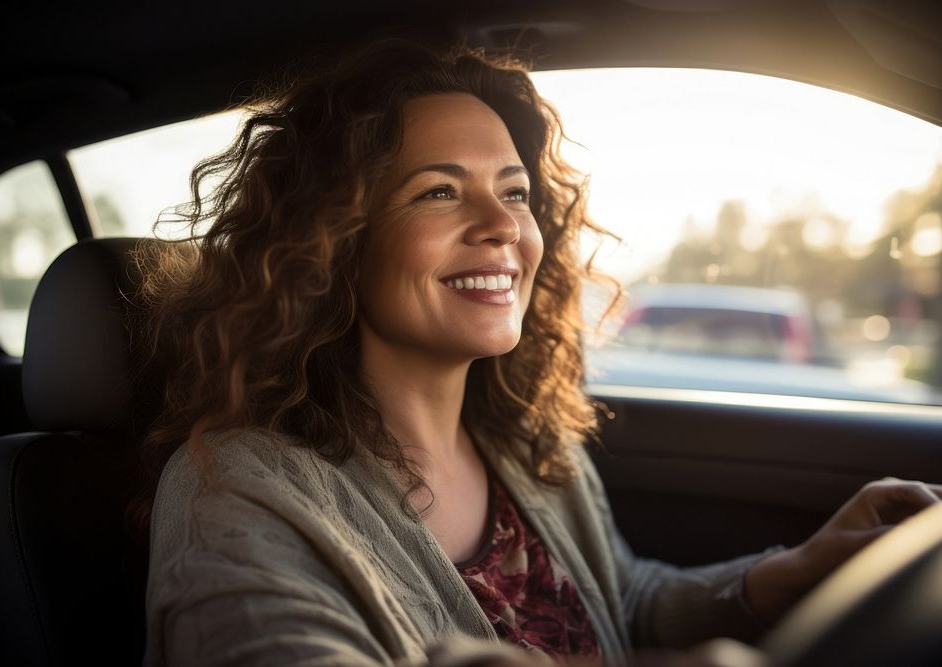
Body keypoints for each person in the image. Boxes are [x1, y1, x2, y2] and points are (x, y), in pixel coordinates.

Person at [132, 39, 942, 666]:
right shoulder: (235, 492)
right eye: (439, 191)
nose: (502, 226)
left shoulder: (522, 439)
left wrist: (798, 567)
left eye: (515, 192)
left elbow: (622, 603)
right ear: (336, 241)